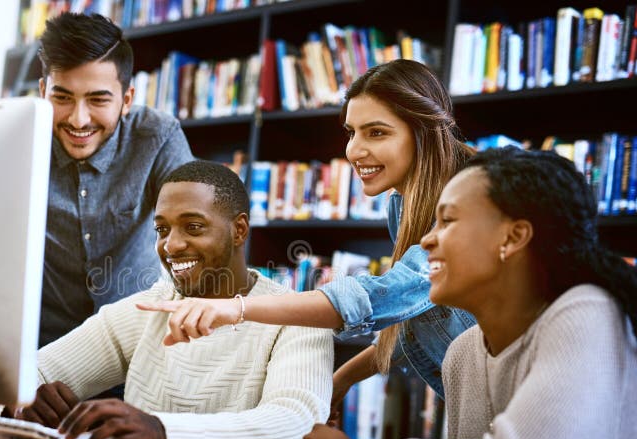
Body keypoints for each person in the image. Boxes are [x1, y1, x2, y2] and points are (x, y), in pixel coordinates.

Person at [300, 147, 637, 439]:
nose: (427, 241)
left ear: (513, 237)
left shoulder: (586, 314)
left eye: (448, 221)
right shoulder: (462, 353)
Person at [139, 59, 476, 404]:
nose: (353, 151)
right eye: (351, 132)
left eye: (376, 132)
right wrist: (342, 380)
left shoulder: (471, 204)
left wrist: (236, 308)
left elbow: (383, 296)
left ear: (422, 131)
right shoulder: (403, 204)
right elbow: (412, 312)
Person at [18, 160, 333, 439]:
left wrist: (162, 432)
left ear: (239, 230)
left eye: (193, 227)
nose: (171, 245)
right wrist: (24, 403)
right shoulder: (148, 309)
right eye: (162, 229)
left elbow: (297, 427)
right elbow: (28, 374)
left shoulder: (299, 318)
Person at [37, 12, 194, 349]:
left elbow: (200, 223)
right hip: (44, 350)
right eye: (62, 98)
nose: (78, 119)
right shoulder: (18, 139)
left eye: (97, 99)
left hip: (135, 344)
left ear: (126, 100)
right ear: (42, 92)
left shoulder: (158, 136)